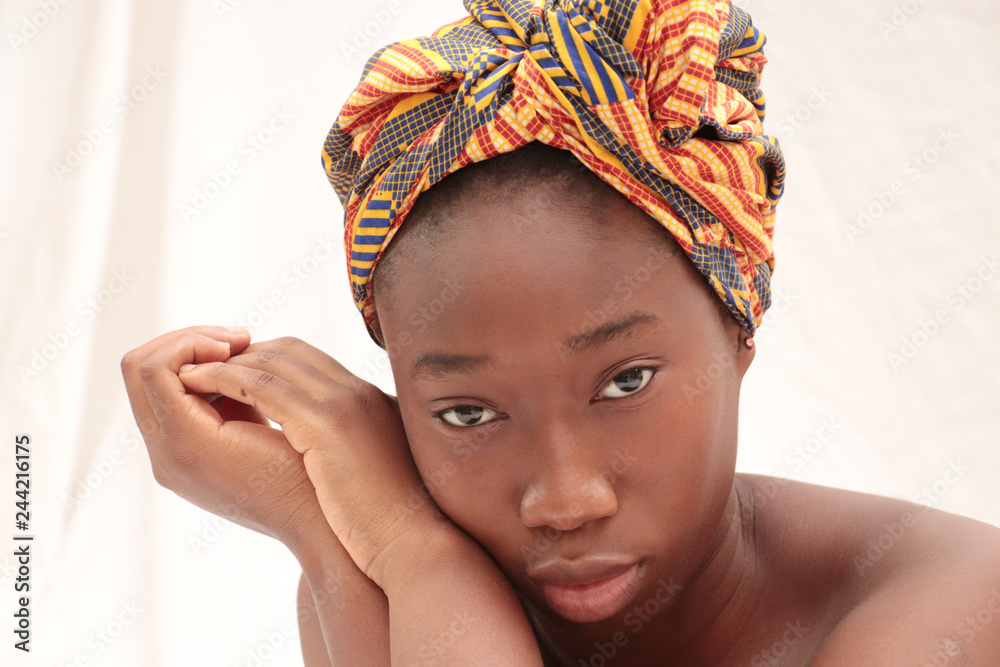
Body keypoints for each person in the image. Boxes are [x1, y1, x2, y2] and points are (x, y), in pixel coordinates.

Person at [121, 0, 1000, 665]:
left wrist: (411, 547)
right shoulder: (389, 582)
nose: (564, 499)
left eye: (625, 381)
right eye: (467, 412)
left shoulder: (950, 599)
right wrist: (353, 537)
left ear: (740, 327)